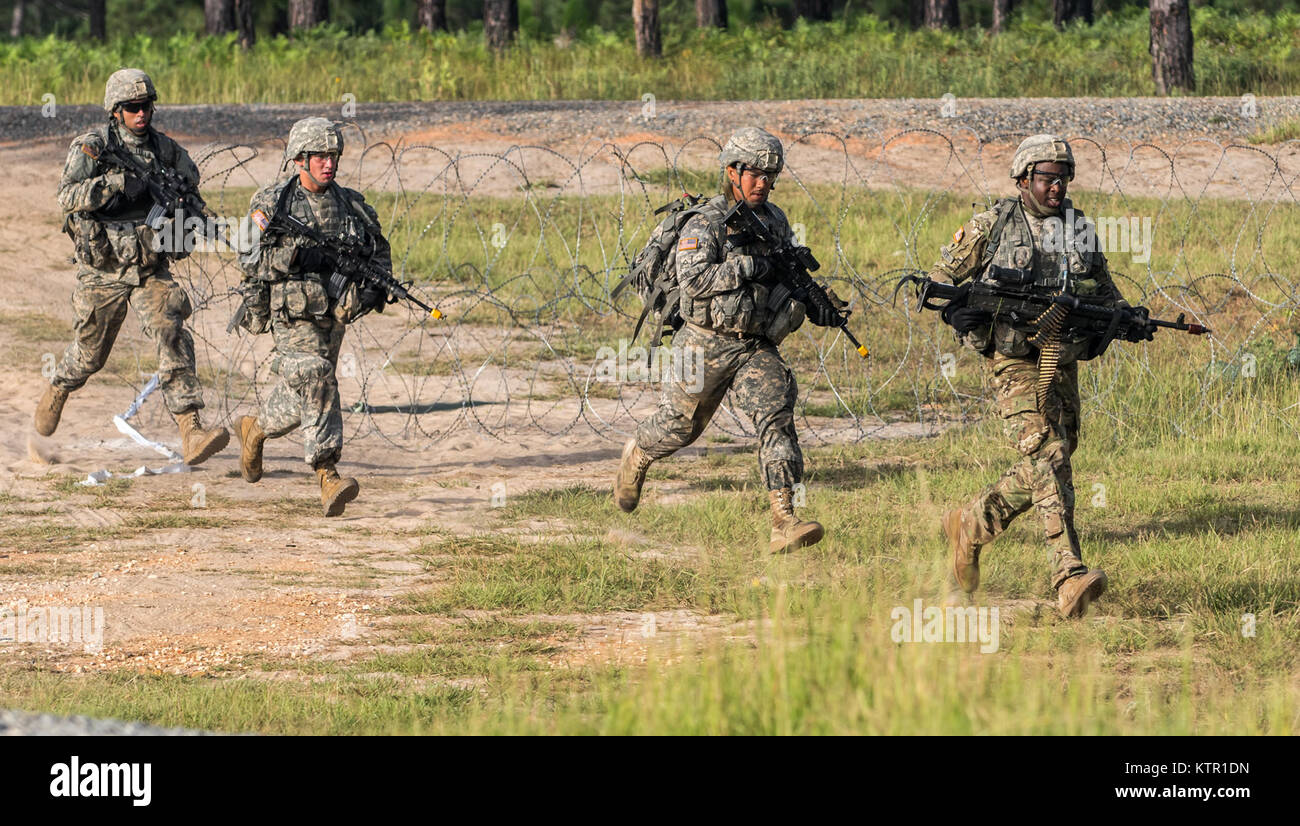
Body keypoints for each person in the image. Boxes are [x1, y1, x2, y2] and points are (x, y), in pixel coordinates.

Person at [614, 126, 840, 554]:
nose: (763, 183)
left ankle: (783, 519)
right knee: (679, 428)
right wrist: (749, 268)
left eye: (770, 176)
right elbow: (694, 280)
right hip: (703, 341)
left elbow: (788, 273)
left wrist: (817, 302)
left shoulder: (775, 220)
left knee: (776, 416)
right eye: (754, 173)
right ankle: (638, 454)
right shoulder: (708, 222)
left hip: (755, 344)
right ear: (732, 171)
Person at [931, 134, 1123, 618]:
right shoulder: (993, 224)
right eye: (1046, 178)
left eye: (1063, 178)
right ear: (1022, 181)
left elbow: (1105, 292)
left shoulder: (1079, 229)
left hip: (1059, 358)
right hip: (1013, 359)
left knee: (1055, 458)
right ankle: (1068, 575)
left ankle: (970, 525)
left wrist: (1127, 319)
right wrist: (959, 313)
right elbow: (940, 280)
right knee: (1047, 452)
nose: (1056, 187)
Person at [35, 68, 228, 465]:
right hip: (102, 269)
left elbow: (190, 193)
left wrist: (192, 220)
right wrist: (116, 184)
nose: (142, 115)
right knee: (90, 355)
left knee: (169, 329)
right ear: (116, 111)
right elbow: (66, 196)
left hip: (147, 268)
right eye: (133, 108)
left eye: (147, 106)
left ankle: (191, 428)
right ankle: (59, 387)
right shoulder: (92, 147)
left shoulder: (168, 152)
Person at [234, 117, 391, 517]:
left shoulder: (351, 204)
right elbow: (246, 255)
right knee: (317, 376)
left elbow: (379, 249)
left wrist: (376, 286)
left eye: (333, 155)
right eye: (320, 156)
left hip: (333, 315)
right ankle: (327, 474)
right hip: (291, 315)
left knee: (307, 392)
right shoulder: (272, 203)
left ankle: (255, 430)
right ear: (299, 159)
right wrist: (298, 256)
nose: (329, 163)